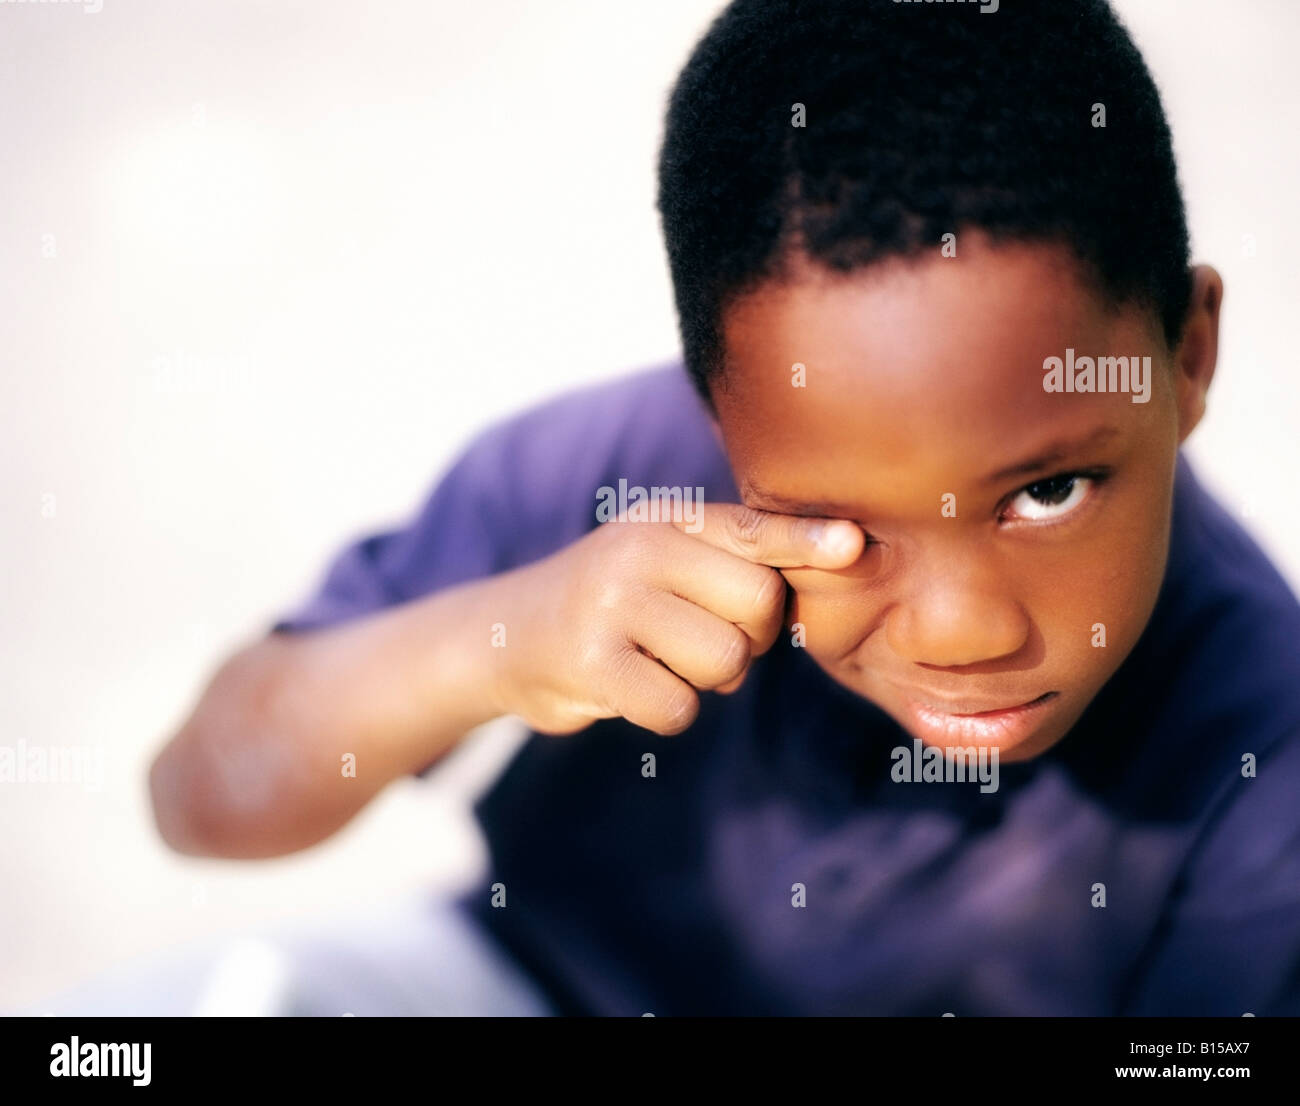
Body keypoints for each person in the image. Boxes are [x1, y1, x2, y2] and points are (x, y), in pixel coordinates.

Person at [33, 0, 1300, 1016]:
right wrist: (497, 639)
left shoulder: (1264, 748)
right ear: (716, 410)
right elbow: (200, 796)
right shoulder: (614, 471)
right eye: (834, 520)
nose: (962, 629)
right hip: (524, 981)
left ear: (1185, 355)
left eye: (1048, 488)